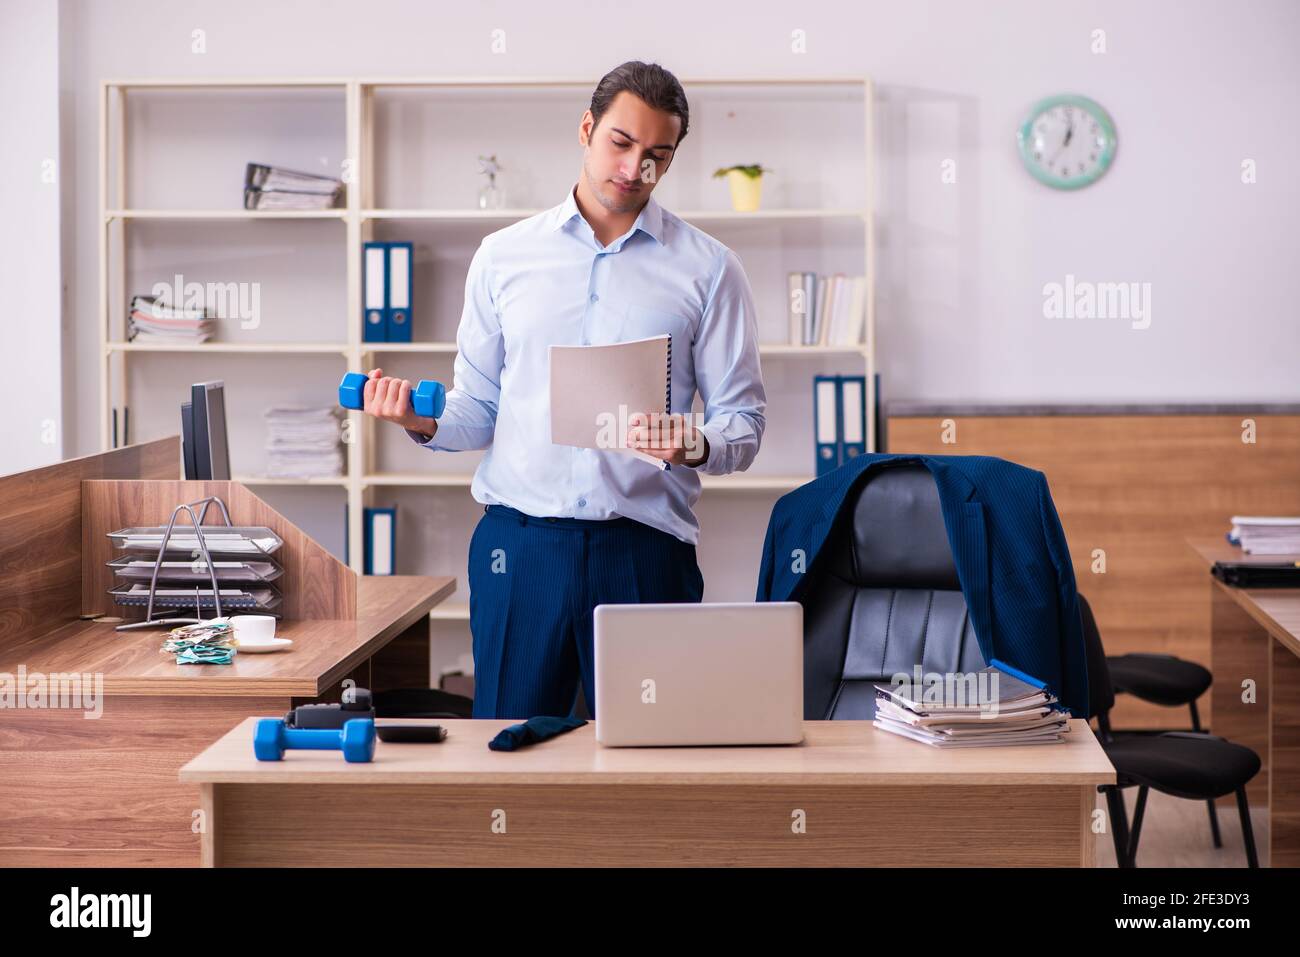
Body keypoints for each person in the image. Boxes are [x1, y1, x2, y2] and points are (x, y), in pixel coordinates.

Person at [361, 60, 766, 719]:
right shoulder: (502, 256)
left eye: (657, 156)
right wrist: (421, 418)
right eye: (621, 143)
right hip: (520, 552)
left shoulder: (710, 269)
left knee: (651, 759)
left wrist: (691, 441)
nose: (635, 169)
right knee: (511, 763)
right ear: (586, 128)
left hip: (644, 553)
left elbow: (743, 422)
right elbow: (480, 409)